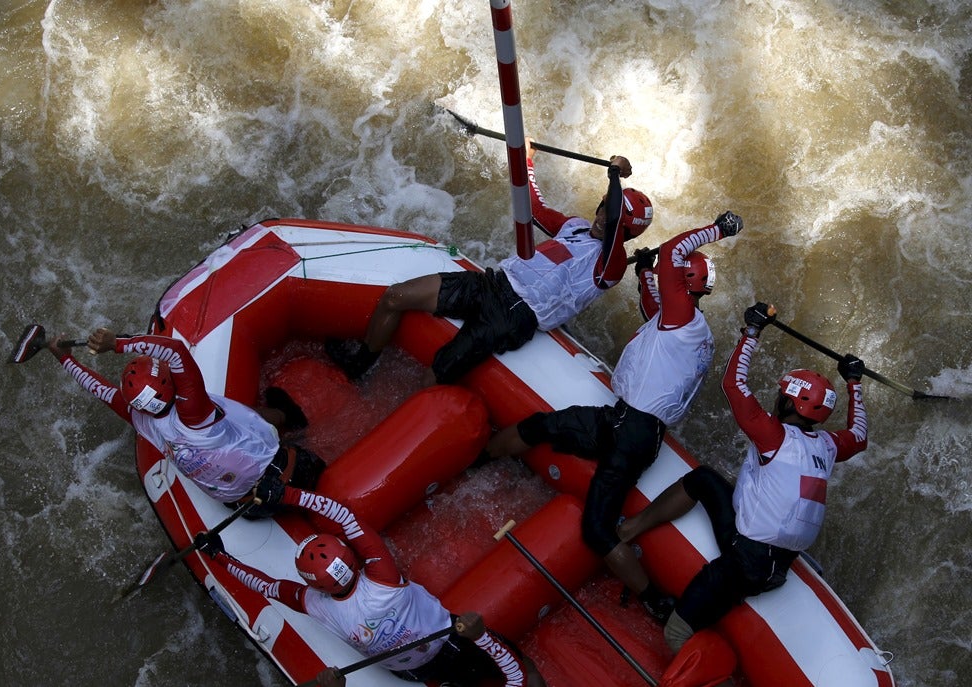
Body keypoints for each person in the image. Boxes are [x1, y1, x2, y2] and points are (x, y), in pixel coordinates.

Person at [485, 211, 744, 622]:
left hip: (629, 430)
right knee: (542, 427)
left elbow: (676, 250)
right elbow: (651, 311)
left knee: (597, 529)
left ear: (686, 283)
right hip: (632, 429)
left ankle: (654, 600)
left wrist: (718, 230)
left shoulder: (683, 319)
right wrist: (644, 273)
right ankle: (489, 455)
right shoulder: (691, 328)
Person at [616, 302, 868, 654]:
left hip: (745, 560)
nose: (777, 397)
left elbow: (733, 386)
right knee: (704, 479)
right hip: (779, 566)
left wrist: (751, 332)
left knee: (675, 635)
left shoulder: (773, 435)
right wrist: (854, 382)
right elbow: (859, 435)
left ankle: (626, 532)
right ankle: (627, 531)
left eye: (783, 395)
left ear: (791, 404)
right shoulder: (827, 445)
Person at [325, 140, 651, 386]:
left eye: (611, 217)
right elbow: (534, 207)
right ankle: (359, 364)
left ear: (623, 232)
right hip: (492, 283)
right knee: (395, 296)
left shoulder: (612, 265)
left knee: (437, 374)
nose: (600, 218)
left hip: (513, 317)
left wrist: (613, 176)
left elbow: (609, 238)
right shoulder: (575, 226)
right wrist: (527, 159)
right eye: (602, 208)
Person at [198, 485, 546, 687]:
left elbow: (267, 586)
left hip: (419, 672)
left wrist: (220, 557)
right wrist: (288, 493)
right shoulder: (383, 576)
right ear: (351, 558)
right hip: (456, 638)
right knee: (523, 668)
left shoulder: (314, 602)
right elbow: (343, 516)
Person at [47, 328, 324, 517]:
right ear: (170, 383)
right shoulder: (194, 411)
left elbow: (100, 389)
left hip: (248, 505)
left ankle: (285, 422)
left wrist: (62, 357)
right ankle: (296, 424)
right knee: (270, 428)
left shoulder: (140, 419)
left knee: (244, 417)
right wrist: (116, 343)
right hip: (289, 474)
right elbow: (176, 350)